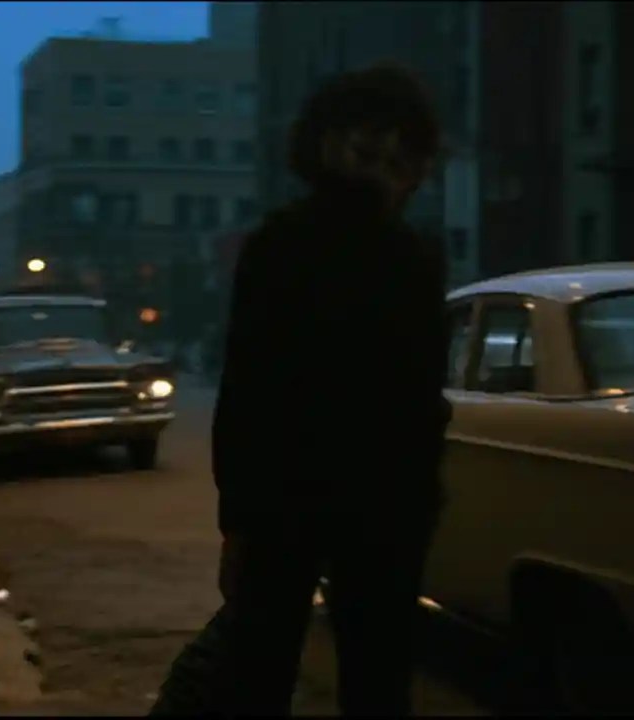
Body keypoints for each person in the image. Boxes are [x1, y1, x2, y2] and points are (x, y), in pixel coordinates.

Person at [151, 64, 453, 716]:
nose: (385, 167)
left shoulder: (286, 245)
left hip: (303, 503)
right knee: (367, 675)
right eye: (371, 148)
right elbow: (419, 403)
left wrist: (239, 520)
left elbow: (250, 391)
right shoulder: (403, 256)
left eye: (397, 153)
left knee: (264, 672)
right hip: (364, 506)